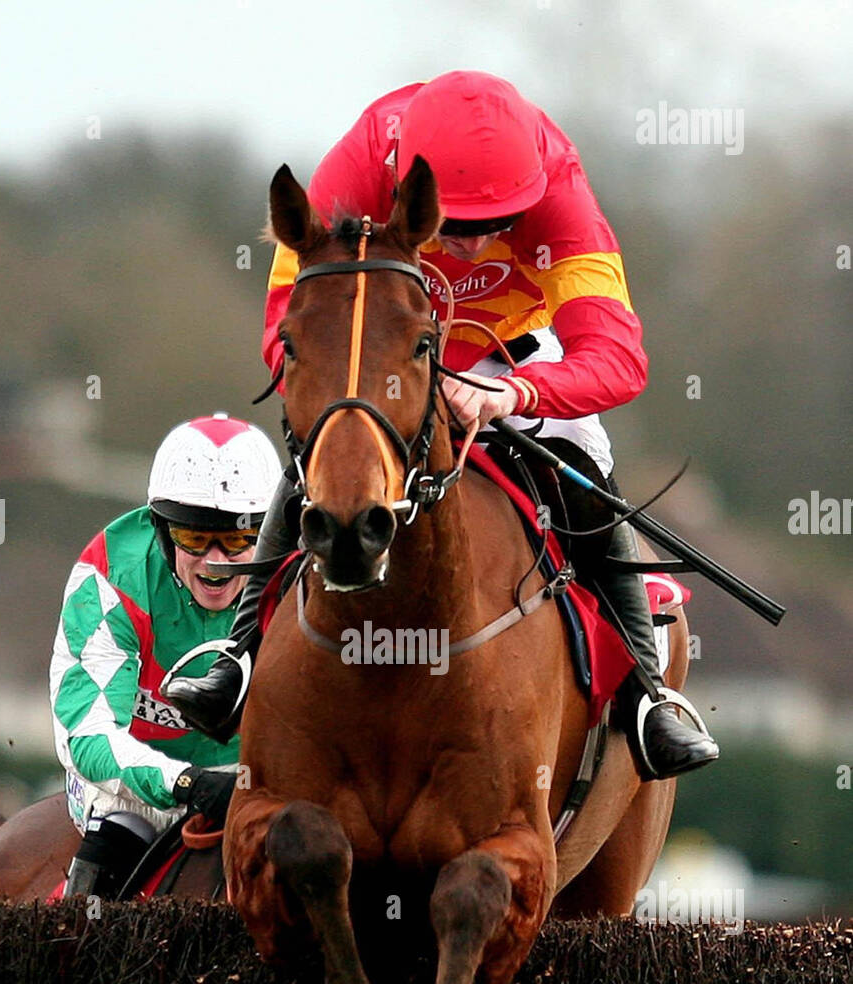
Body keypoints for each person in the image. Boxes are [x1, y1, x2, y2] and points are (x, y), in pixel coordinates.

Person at [165, 72, 718, 780]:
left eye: (498, 226)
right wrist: (363, 391)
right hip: (384, 367)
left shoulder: (563, 192)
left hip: (509, 360)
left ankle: (648, 696)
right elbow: (286, 330)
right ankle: (237, 662)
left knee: (585, 459)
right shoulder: (356, 167)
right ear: (406, 191)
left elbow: (618, 357)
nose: (471, 244)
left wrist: (512, 394)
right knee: (319, 457)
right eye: (454, 226)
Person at [50, 413, 284, 898]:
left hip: (257, 776)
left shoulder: (298, 575)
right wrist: (186, 783)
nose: (216, 560)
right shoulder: (111, 575)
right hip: (132, 786)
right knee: (112, 846)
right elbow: (87, 736)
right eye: (195, 538)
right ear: (162, 530)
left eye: (239, 540)